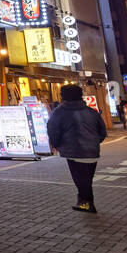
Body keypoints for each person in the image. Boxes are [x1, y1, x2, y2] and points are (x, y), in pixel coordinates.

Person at [48, 83, 108, 213]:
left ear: (63, 97)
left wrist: (57, 145)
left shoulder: (59, 112)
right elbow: (102, 132)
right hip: (92, 151)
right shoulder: (91, 112)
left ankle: (88, 203)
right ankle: (83, 202)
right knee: (86, 179)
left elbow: (53, 131)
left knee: (81, 180)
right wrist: (94, 142)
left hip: (74, 151)